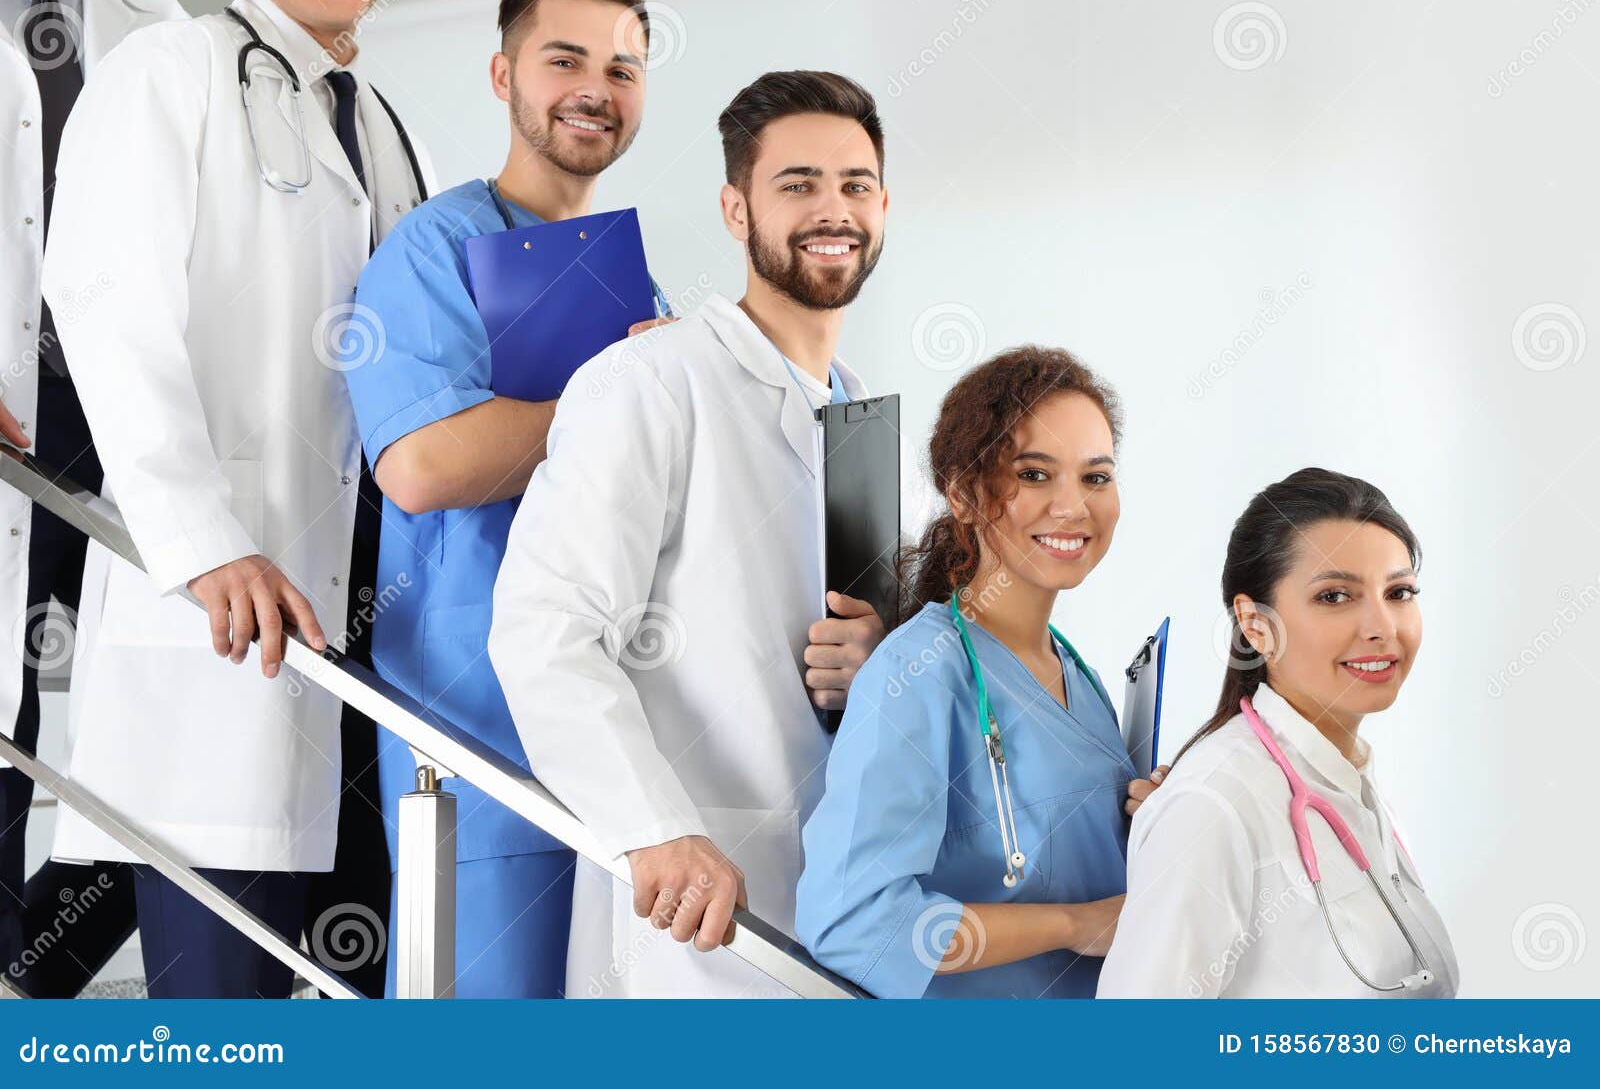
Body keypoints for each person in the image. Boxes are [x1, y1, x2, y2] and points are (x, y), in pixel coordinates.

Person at [40, 0, 432, 998]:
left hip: (365, 636)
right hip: (227, 623)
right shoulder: (170, 70)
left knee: (369, 983)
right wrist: (203, 540)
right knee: (225, 1008)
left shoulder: (386, 125)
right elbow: (108, 308)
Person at [488, 70, 894, 997]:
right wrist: (654, 827)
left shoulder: (867, 420)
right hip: (696, 926)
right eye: (796, 184)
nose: (832, 209)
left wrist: (885, 656)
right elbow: (545, 630)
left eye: (855, 184)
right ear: (734, 208)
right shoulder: (647, 382)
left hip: (842, 915)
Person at [342, 0, 669, 998]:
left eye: (622, 69)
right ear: (504, 76)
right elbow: (424, 466)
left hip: (605, 733)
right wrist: (618, 392)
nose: (594, 90)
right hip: (475, 735)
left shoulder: (628, 270)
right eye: (563, 59)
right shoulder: (432, 249)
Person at [795, 347, 1166, 998]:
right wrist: (1073, 924)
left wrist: (1159, 819)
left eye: (1096, 477)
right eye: (1035, 473)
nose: (1073, 506)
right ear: (963, 493)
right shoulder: (919, 670)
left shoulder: (1081, 677)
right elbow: (853, 920)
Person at [0, 0, 184, 996]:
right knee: (7, 705)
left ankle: (41, 956)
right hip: (11, 415)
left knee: (164, 698)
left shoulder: (157, 22)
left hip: (128, 414)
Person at [1097, 468, 1459, 997]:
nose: (1383, 626)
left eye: (1399, 591)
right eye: (1335, 596)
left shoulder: (1351, 783)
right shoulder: (1213, 807)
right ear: (1256, 624)